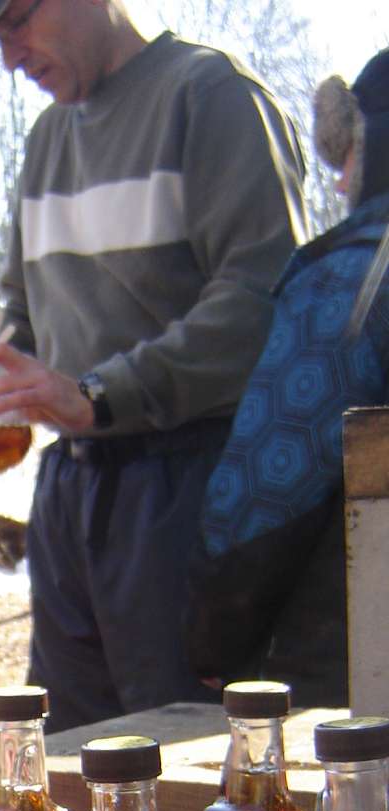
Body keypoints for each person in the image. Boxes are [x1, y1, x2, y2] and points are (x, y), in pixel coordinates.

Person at [0, 0, 307, 732]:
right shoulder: (47, 140)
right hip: (73, 491)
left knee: (185, 756)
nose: (10, 57)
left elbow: (261, 296)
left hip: (191, 482)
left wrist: (100, 394)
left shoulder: (210, 96)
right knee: (73, 751)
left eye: (13, 21)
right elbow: (20, 318)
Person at [186, 50, 389, 707]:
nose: (338, 185)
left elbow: (268, 492)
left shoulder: (355, 280)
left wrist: (214, 637)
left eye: (348, 157)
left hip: (354, 680)